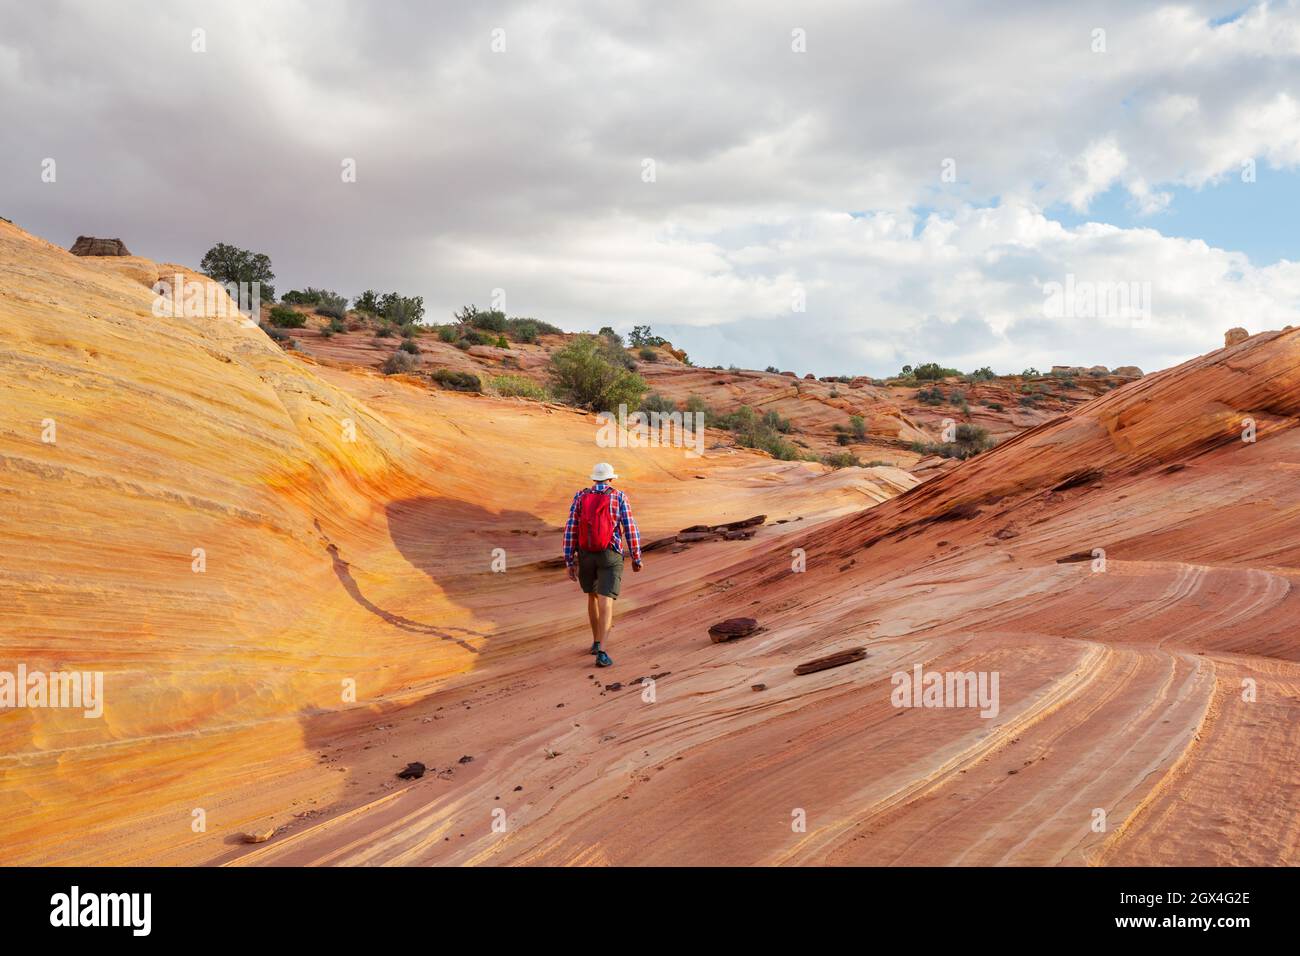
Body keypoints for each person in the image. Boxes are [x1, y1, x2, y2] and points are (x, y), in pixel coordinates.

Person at [563, 462, 642, 667]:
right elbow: (630, 527)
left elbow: (570, 528)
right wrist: (636, 556)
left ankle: (596, 642)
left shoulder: (580, 496)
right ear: (611, 479)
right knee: (606, 600)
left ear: (594, 479)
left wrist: (569, 560)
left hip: (586, 554)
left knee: (592, 595)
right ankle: (603, 652)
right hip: (610, 553)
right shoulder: (619, 496)